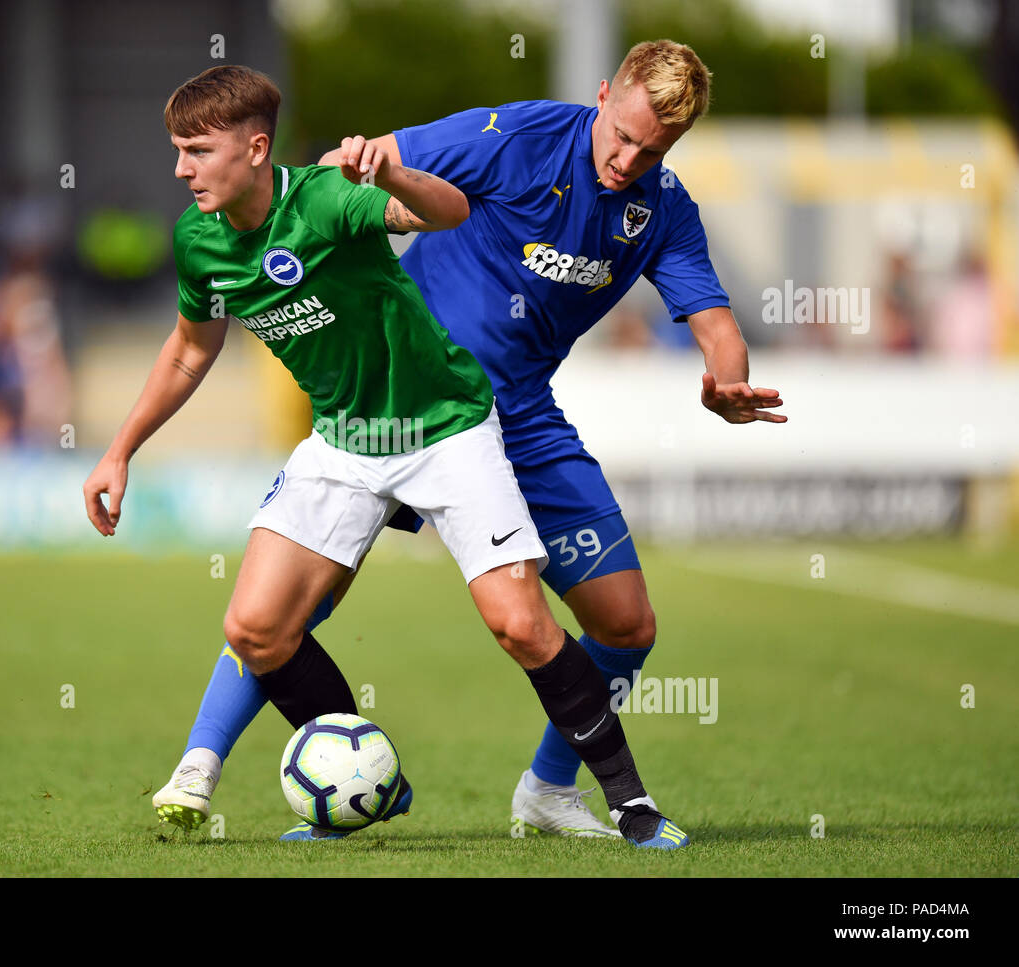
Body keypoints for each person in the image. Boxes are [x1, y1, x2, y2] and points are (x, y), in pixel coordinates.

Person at [152, 42, 787, 844]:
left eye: (650, 149)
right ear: (602, 94)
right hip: (405, 393)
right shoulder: (515, 135)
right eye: (621, 134)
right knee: (289, 607)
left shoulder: (662, 211)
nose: (628, 159)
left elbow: (715, 323)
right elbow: (365, 169)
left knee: (626, 623)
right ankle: (200, 765)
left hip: (519, 416)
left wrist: (726, 380)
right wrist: (360, 182)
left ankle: (549, 792)